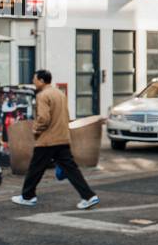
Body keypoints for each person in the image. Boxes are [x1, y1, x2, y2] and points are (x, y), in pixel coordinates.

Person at [12, 69, 98, 209]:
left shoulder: (43, 95)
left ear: (41, 80)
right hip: (62, 137)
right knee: (71, 169)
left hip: (47, 140)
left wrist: (35, 129)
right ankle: (88, 196)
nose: (33, 82)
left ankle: (28, 196)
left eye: (35, 79)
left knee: (35, 168)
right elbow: (66, 115)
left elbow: (43, 118)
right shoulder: (59, 93)